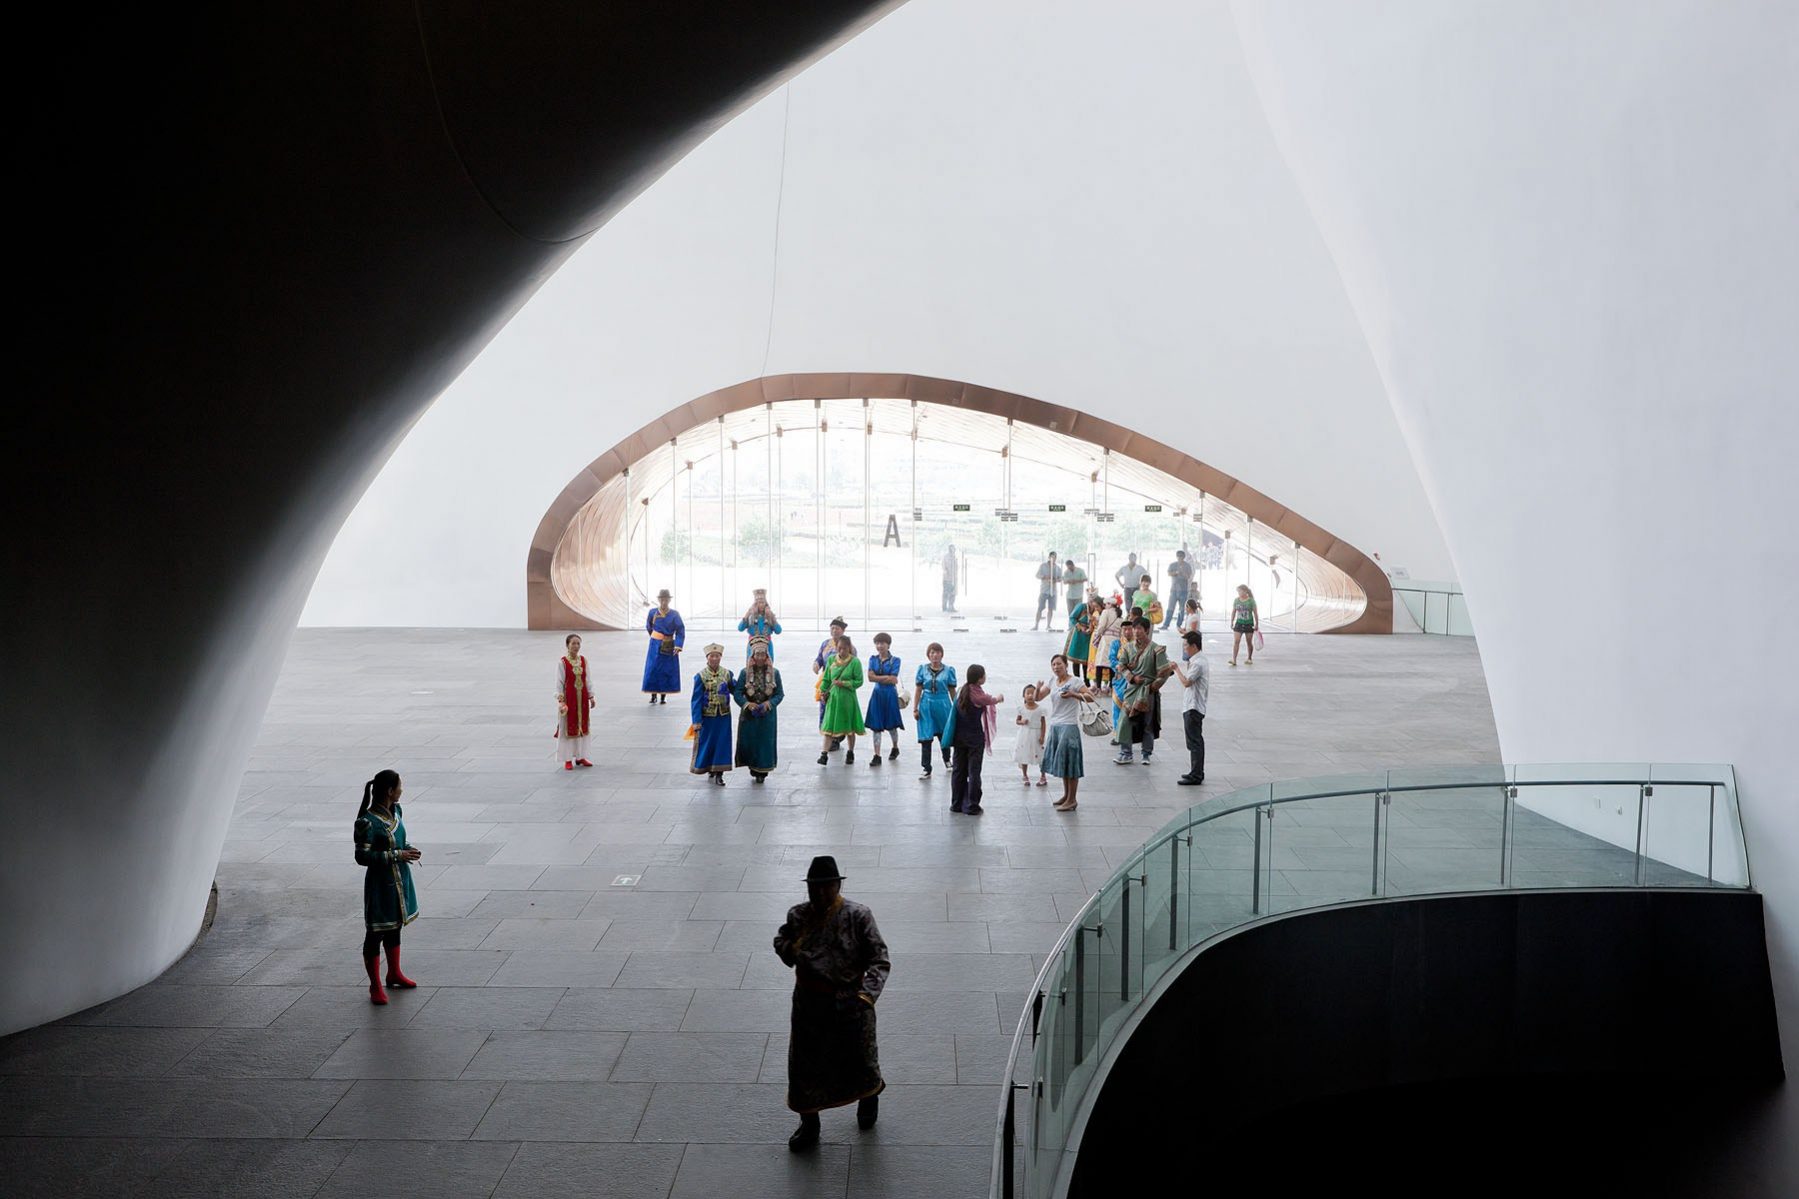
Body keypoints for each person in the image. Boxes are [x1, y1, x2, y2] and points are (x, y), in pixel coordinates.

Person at [774, 856, 890, 1153]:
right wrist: (792, 950)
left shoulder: (858, 915)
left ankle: (868, 1096)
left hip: (851, 1002)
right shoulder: (798, 915)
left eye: (827, 887)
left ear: (837, 885)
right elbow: (781, 940)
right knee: (804, 1065)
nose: (821, 893)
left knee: (860, 1058)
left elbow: (879, 959)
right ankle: (809, 1123)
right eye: (815, 888)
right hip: (809, 1004)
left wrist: (865, 996)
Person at [354, 769, 420, 1005]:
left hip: (399, 880)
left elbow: (399, 840)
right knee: (375, 933)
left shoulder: (397, 812)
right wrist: (396, 855)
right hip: (381, 885)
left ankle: (394, 972)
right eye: (400, 786)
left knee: (394, 927)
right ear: (390, 791)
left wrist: (408, 849)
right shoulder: (366, 822)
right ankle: (375, 985)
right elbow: (362, 857)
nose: (402, 790)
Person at [1041, 655, 1099, 811]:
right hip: (1056, 726)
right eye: (1053, 664)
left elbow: (1090, 697)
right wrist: (1036, 688)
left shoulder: (1075, 681)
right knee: (1064, 762)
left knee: (1071, 763)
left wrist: (1074, 695)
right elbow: (1039, 696)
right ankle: (1066, 795)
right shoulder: (1053, 681)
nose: (1056, 667)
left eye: (1059, 664)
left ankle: (1072, 799)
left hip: (1069, 726)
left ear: (1066, 665)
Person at [1114, 618, 1173, 765]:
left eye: (1139, 628)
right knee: (1125, 720)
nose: (1136, 631)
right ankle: (1126, 752)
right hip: (1132, 690)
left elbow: (1164, 672)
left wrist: (1152, 687)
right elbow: (1121, 666)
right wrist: (1132, 678)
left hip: (1148, 691)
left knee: (1147, 722)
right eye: (1134, 628)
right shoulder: (1128, 648)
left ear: (1146, 630)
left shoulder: (1156, 649)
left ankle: (1146, 753)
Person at [949, 664, 1002, 814]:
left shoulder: (961, 690)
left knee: (958, 770)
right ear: (980, 679)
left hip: (959, 737)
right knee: (974, 772)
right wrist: (1000, 697)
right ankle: (972, 805)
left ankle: (956, 803)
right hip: (974, 738)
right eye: (984, 675)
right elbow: (993, 700)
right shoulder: (979, 695)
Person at [733, 636, 784, 783]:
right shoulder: (745, 673)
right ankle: (753, 768)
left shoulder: (775, 673)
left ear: (767, 655)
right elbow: (737, 693)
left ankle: (763, 770)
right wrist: (747, 704)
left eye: (763, 654)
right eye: (757, 654)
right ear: (753, 656)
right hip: (750, 715)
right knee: (751, 741)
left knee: (765, 742)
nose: (760, 658)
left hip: (767, 715)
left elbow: (780, 694)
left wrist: (769, 704)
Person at [688, 643, 735, 785]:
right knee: (708, 743)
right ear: (707, 658)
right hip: (707, 717)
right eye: (712, 656)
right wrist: (696, 720)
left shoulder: (727, 674)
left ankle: (719, 773)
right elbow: (695, 700)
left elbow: (735, 689)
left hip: (723, 716)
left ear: (721, 657)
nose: (714, 658)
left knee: (722, 743)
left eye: (717, 656)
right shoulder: (700, 676)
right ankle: (710, 767)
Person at [818, 636, 866, 765]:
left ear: (849, 648)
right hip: (833, 698)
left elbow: (859, 681)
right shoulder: (832, 660)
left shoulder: (855, 662)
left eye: (844, 648)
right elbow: (827, 678)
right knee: (829, 726)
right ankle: (824, 754)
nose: (842, 651)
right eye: (839, 648)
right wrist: (822, 692)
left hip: (848, 699)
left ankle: (850, 752)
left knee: (849, 728)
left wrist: (844, 683)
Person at [912, 643, 957, 780]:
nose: (935, 655)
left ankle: (947, 759)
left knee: (944, 734)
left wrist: (957, 707)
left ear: (942, 654)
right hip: (926, 704)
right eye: (932, 652)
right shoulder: (922, 669)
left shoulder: (949, 670)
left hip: (943, 704)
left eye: (937, 652)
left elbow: (952, 690)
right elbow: (918, 689)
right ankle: (926, 767)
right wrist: (915, 708)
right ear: (928, 655)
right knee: (926, 736)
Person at [1174, 630, 1210, 786]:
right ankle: (1195, 771)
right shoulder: (1197, 660)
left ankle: (1196, 774)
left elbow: (1187, 682)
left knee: (1195, 741)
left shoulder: (1198, 663)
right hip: (1192, 704)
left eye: (1185, 646)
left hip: (1194, 706)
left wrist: (1176, 669)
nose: (1184, 649)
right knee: (1194, 741)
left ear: (1194, 646)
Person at [556, 633, 595, 770]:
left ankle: (580, 756)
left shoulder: (583, 660)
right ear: (567, 645)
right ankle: (567, 759)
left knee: (582, 727)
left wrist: (591, 696)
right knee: (568, 728)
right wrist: (561, 702)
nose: (576, 646)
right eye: (573, 643)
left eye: (578, 643)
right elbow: (559, 683)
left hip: (582, 700)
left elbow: (587, 679)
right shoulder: (563, 662)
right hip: (569, 700)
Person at [863, 633, 904, 765]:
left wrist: (877, 677)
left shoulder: (896, 660)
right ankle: (877, 755)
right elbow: (870, 678)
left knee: (892, 725)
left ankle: (895, 747)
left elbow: (894, 678)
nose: (880, 646)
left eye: (882, 643)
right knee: (876, 725)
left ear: (888, 645)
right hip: (877, 694)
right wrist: (886, 678)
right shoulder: (872, 659)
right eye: (877, 643)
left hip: (890, 695)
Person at [642, 589, 685, 704]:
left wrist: (678, 645)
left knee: (666, 670)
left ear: (669, 600)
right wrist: (655, 637)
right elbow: (649, 626)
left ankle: (663, 696)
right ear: (659, 600)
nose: (664, 602)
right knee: (653, 668)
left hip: (669, 645)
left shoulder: (674, 614)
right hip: (655, 645)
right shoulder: (652, 612)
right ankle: (653, 694)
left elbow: (680, 630)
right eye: (662, 599)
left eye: (666, 599)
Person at [814, 617, 849, 750]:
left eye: (837, 628)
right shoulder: (825, 644)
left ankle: (837, 738)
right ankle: (828, 735)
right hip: (826, 681)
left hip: (840, 683)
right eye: (832, 628)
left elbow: (853, 664)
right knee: (825, 709)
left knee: (837, 710)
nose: (834, 631)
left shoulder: (848, 645)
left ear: (843, 631)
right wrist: (816, 664)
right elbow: (819, 658)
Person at [1012, 684, 1046, 786]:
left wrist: (1042, 736)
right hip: (1025, 734)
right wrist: (1022, 721)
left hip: (1036, 733)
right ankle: (1025, 775)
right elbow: (1017, 721)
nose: (1030, 696)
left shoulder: (1040, 709)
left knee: (1041, 755)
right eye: (1028, 693)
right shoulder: (1021, 708)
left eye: (1033, 693)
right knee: (1024, 754)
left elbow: (1043, 723)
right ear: (1024, 695)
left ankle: (1043, 775)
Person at [738, 589, 782, 659]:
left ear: (766, 604)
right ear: (755, 604)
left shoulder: (770, 616)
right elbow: (740, 628)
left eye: (762, 602)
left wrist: (772, 618)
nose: (761, 605)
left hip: (767, 645)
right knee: (751, 666)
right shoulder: (750, 616)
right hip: (753, 644)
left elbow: (778, 631)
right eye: (758, 602)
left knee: (768, 667)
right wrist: (747, 615)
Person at [1089, 598, 1123, 687]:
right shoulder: (1120, 615)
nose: (1105, 606)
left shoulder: (1106, 612)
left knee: (1100, 664)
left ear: (1109, 604)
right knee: (1112, 663)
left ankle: (1098, 688)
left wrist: (1096, 636)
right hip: (1116, 640)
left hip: (1106, 640)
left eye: (1106, 604)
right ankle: (1111, 687)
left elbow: (1101, 626)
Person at [1162, 549, 1194, 630]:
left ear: (1184, 557)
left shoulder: (1187, 566)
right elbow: (1169, 573)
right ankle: (1166, 624)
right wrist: (1176, 572)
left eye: (1181, 557)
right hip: (1174, 589)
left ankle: (1179, 625)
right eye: (1179, 557)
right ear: (1177, 557)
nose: (1180, 558)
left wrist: (1183, 573)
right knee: (1170, 607)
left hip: (1183, 590)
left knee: (1182, 608)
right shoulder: (1173, 565)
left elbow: (1189, 576)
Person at [1064, 598, 1093, 681]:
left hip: (1088, 636)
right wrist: (1080, 627)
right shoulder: (1081, 606)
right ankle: (1077, 680)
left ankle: (1086, 681)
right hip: (1078, 635)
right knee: (1076, 658)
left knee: (1086, 659)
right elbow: (1072, 617)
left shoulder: (1096, 610)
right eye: (1091, 601)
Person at [1230, 584, 1260, 666]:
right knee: (1236, 641)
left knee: (1249, 642)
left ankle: (1249, 658)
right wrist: (1232, 621)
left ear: (1245, 591)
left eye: (1240, 591)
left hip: (1248, 624)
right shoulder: (1236, 600)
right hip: (1239, 623)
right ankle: (1234, 660)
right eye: (1238, 591)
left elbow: (1255, 613)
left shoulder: (1251, 601)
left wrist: (1257, 624)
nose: (1239, 593)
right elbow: (1234, 611)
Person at [1032, 551, 1062, 632]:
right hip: (1044, 590)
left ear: (1056, 558)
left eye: (1055, 557)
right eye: (1052, 557)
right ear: (1049, 557)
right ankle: (1036, 625)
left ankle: (1048, 625)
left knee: (1051, 609)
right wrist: (1044, 577)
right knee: (1040, 608)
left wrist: (1056, 580)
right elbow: (1037, 575)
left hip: (1053, 591)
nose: (1053, 559)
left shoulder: (1058, 568)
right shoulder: (1043, 566)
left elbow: (1061, 578)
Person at [1061, 555, 1088, 620]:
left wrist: (1076, 581)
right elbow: (1064, 582)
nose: (1069, 569)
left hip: (1078, 595)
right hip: (1069, 595)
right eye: (1067, 567)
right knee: (1070, 612)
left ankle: (1078, 627)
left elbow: (1085, 579)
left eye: (1070, 567)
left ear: (1072, 565)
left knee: (1078, 612)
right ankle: (1071, 627)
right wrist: (1069, 581)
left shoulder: (1080, 570)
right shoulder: (1066, 572)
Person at [941, 544, 959, 613]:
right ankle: (944, 607)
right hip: (947, 579)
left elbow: (956, 568)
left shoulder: (954, 557)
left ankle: (951, 607)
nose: (953, 550)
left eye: (954, 549)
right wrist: (946, 573)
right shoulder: (946, 557)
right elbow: (944, 567)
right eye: (952, 549)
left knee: (953, 593)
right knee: (946, 593)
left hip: (954, 579)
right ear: (949, 549)